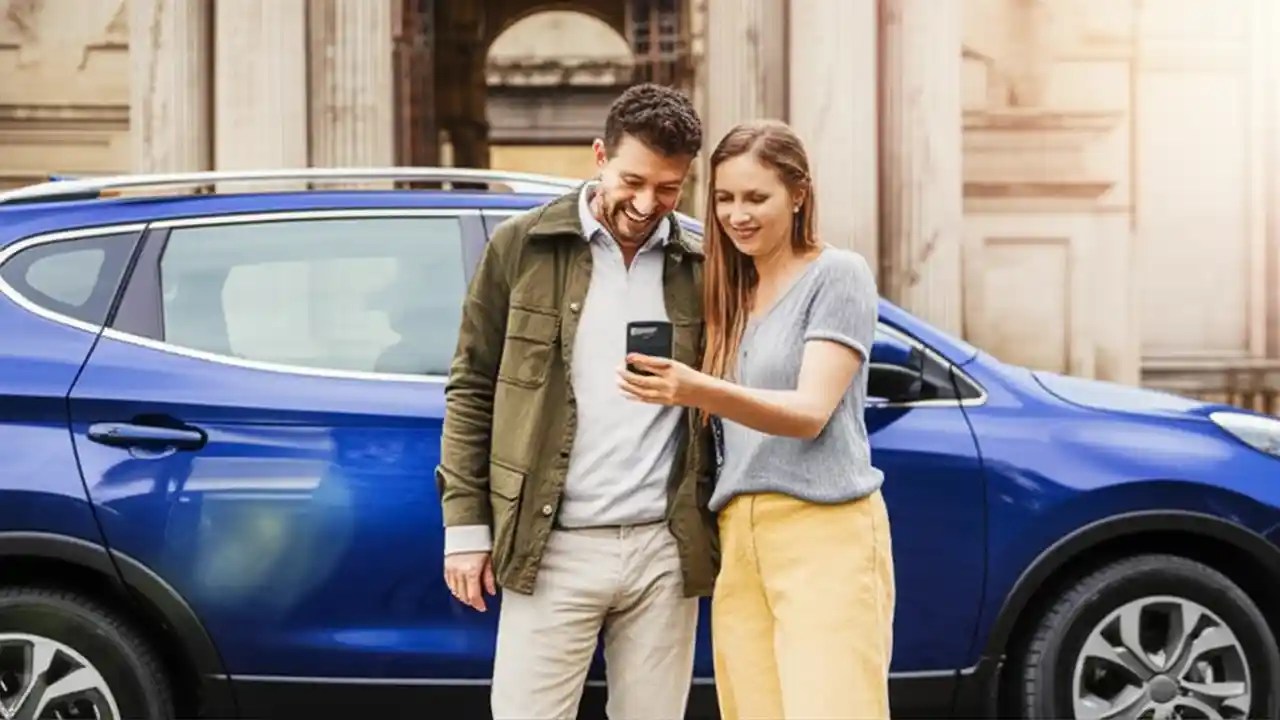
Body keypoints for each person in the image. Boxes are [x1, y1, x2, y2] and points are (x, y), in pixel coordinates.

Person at [436, 82, 718, 720]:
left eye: (669, 188)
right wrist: (464, 528)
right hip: (552, 544)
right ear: (599, 156)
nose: (649, 203)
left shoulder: (700, 264)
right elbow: (473, 386)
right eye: (633, 180)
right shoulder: (521, 246)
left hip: (663, 551)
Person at [619, 119, 895, 720]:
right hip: (738, 535)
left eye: (755, 197)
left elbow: (809, 414)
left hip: (823, 529)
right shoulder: (726, 288)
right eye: (723, 198)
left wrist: (694, 388)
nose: (736, 214)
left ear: (798, 195)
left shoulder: (837, 274)